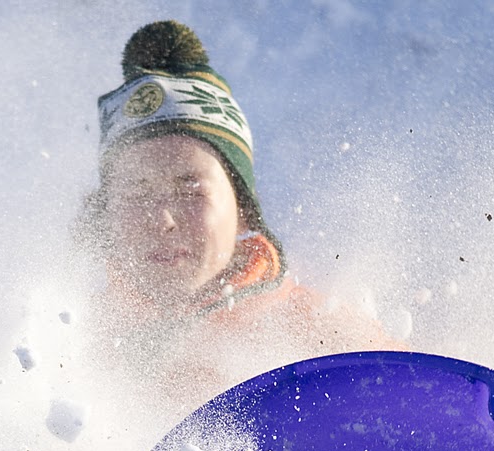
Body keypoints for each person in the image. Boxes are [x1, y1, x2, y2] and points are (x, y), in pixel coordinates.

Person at [81, 20, 395, 411]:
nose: (162, 219)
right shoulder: (74, 345)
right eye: (136, 192)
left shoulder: (322, 337)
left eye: (190, 190)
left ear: (243, 209)